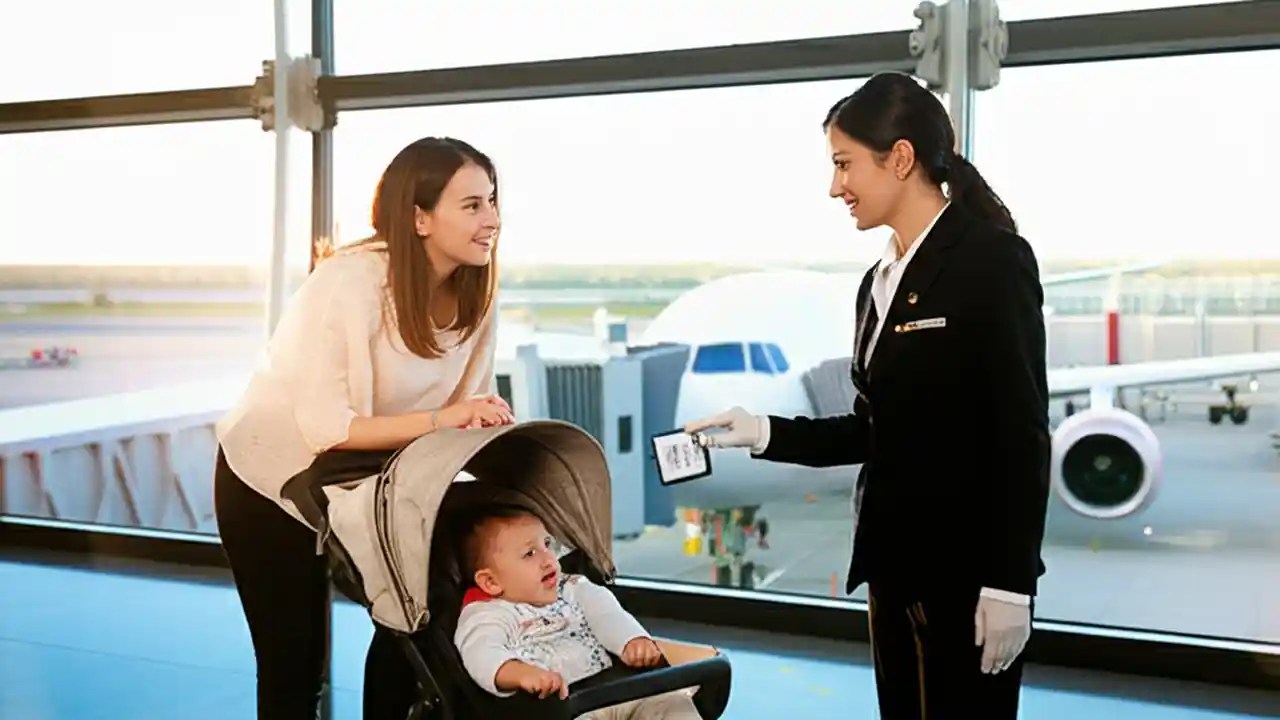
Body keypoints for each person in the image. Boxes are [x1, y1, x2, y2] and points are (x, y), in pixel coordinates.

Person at [685, 71, 1050, 719]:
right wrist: (762, 430)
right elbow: (873, 429)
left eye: (844, 164)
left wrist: (1010, 584)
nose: (835, 187)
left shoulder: (991, 262)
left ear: (901, 158)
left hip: (968, 579)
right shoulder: (877, 282)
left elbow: (1021, 434)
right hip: (894, 570)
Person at [213, 136, 517, 720]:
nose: (493, 220)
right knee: (295, 662)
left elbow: (465, 408)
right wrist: (443, 419)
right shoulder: (349, 283)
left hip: (365, 481)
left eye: (493, 201)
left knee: (412, 627)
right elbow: (327, 428)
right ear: (419, 217)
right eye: (473, 205)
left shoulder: (478, 295)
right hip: (269, 477)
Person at [453, 505, 701, 720]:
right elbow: (482, 653)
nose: (549, 559)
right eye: (530, 553)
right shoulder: (487, 614)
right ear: (491, 582)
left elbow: (607, 614)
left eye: (547, 544)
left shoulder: (572, 587)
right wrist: (520, 673)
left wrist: (631, 641)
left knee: (672, 702)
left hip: (618, 688)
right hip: (564, 710)